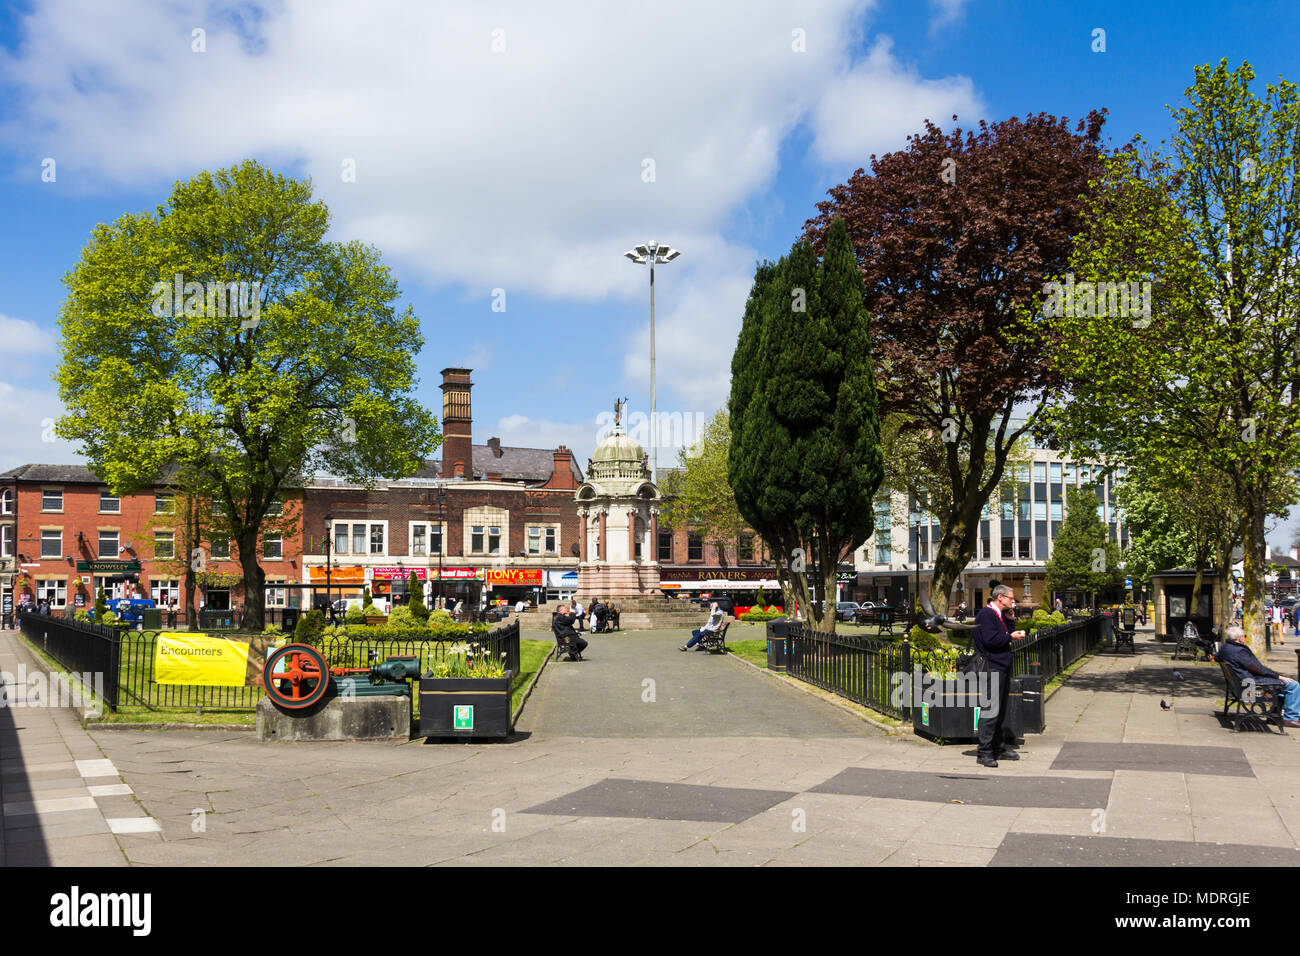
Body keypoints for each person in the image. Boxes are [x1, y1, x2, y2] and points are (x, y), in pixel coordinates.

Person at [972, 585, 1027, 768]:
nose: (1013, 601)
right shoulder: (986, 615)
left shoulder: (998, 615)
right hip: (991, 667)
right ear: (1001, 597)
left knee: (1000, 709)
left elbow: (1001, 635)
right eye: (1011, 598)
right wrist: (1011, 636)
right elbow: (991, 640)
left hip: (1000, 666)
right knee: (990, 711)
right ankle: (984, 752)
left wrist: (1010, 622)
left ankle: (998, 747)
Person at [1217, 625, 1300, 727]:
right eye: (1245, 636)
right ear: (1239, 638)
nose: (1245, 638)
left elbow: (1217, 657)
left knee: (1282, 687)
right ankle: (1290, 718)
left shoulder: (1225, 648)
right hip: (1249, 685)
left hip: (1239, 683)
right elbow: (1258, 669)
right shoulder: (1240, 651)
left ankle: (1273, 714)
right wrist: (1278, 676)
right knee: (1293, 685)